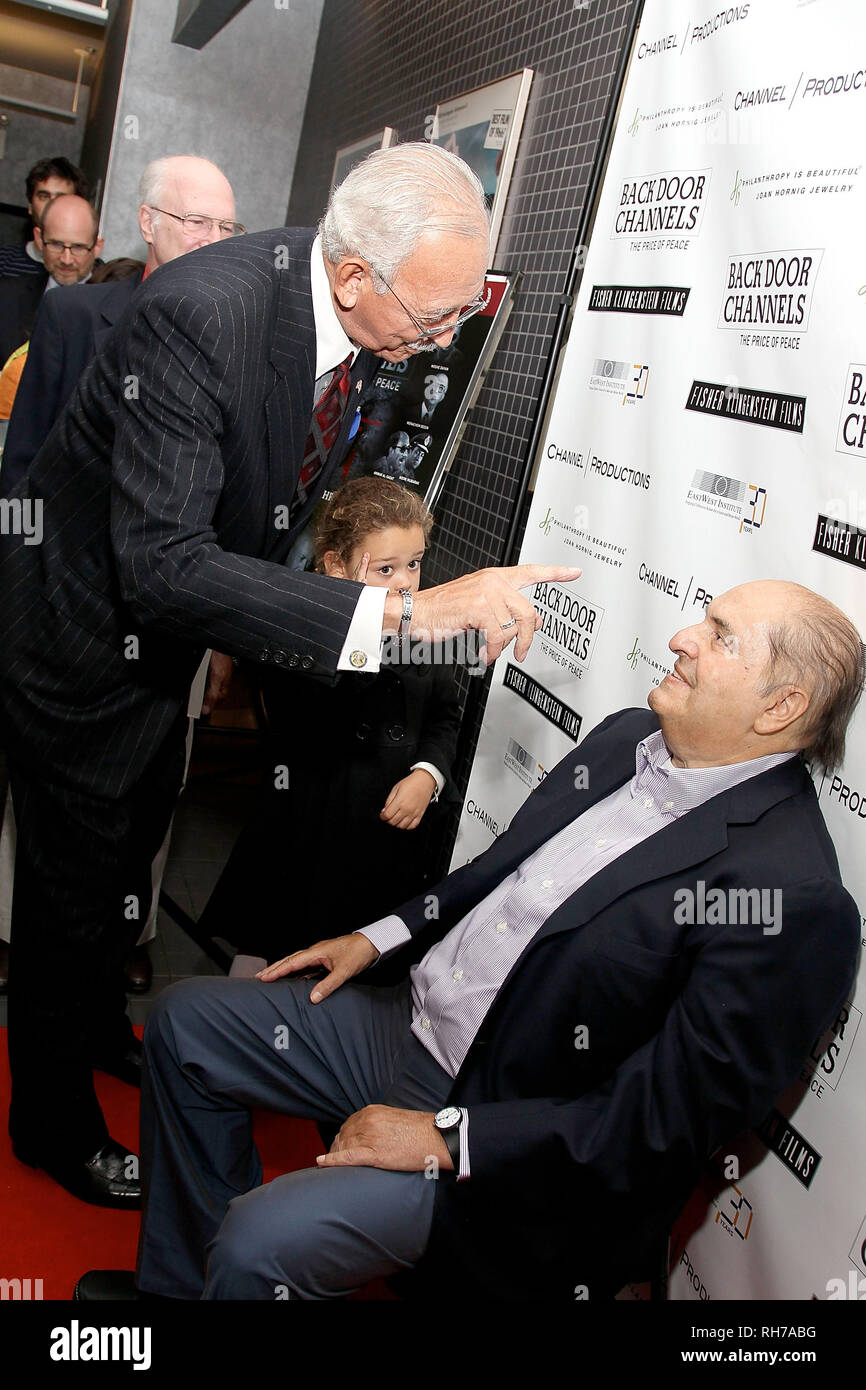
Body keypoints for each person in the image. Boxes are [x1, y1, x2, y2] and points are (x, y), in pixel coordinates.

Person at [0, 139, 579, 1210]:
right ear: (357, 275)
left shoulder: (349, 325)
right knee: (71, 895)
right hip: (81, 652)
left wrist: (434, 636)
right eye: (439, 314)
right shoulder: (200, 314)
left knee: (122, 860)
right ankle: (48, 1122)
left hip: (160, 652)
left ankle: (87, 1030)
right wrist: (410, 615)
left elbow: (269, 540)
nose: (445, 339)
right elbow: (165, 567)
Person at [73, 579, 863, 1302]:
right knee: (185, 1026)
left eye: (720, 635)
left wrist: (449, 1136)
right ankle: (177, 1293)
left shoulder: (791, 898)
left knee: (258, 1244)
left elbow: (659, 1125)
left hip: (501, 1131)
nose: (684, 636)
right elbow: (499, 870)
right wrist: (378, 937)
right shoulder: (629, 739)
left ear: (779, 707)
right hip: (408, 1024)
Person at [0, 157, 240, 999]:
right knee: (51, 852)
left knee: (145, 824)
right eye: (194, 223)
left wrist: (218, 647)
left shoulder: (231, 343)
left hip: (166, 640)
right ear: (147, 223)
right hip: (65, 639)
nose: (212, 242)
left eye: (225, 227)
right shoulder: (74, 316)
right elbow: (23, 480)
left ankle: (117, 965)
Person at [199, 477, 461, 964]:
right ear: (336, 566)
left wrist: (428, 774)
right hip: (307, 836)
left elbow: (443, 714)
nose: (406, 582)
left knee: (360, 968)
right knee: (274, 957)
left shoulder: (425, 629)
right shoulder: (300, 631)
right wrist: (354, 613)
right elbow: (320, 703)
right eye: (385, 569)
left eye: (414, 564)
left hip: (383, 846)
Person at [0, 194, 103, 366]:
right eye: (56, 245)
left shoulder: (117, 308)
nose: (66, 259)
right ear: (39, 240)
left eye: (78, 247)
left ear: (97, 247)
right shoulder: (6, 297)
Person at [0, 155, 89, 280]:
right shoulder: (3, 261)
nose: (51, 205)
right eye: (43, 196)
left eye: (60, 198)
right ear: (30, 206)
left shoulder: (91, 271)